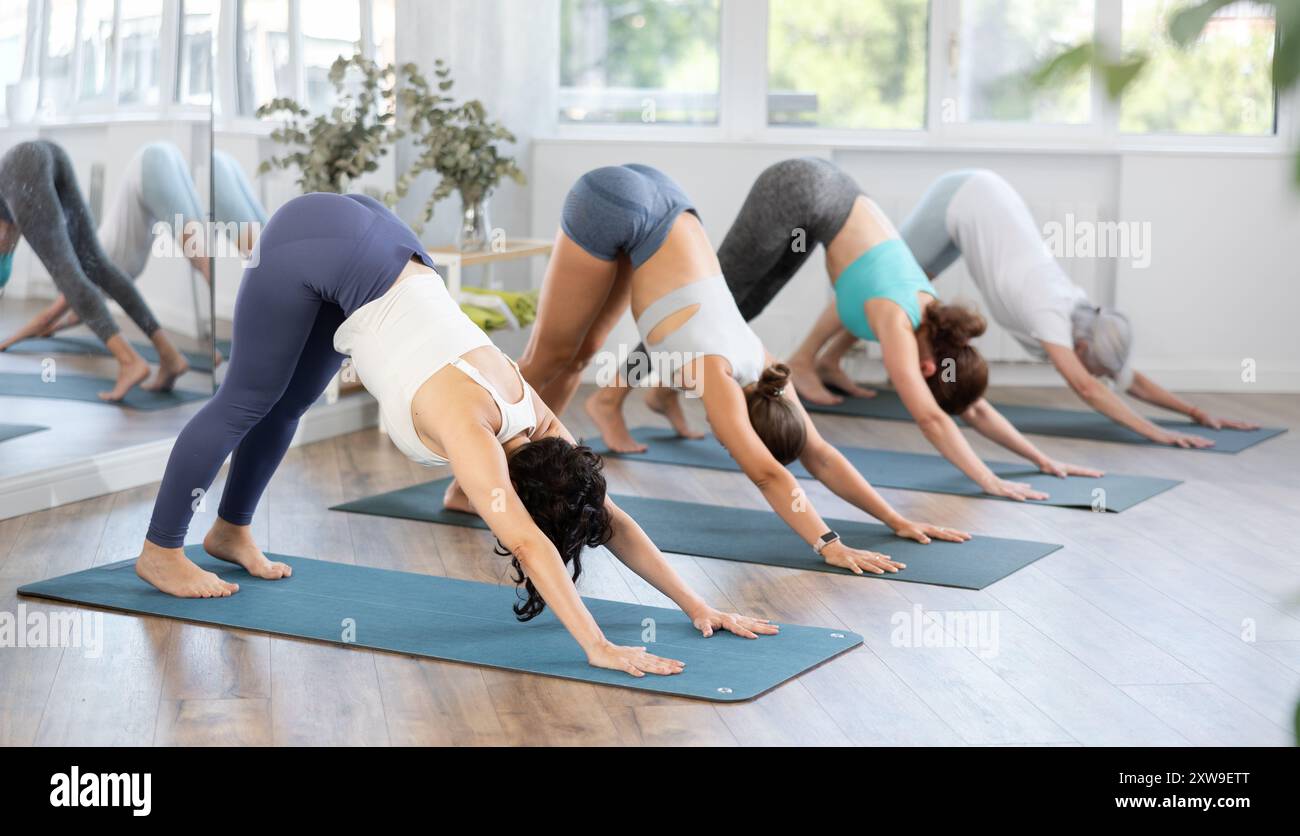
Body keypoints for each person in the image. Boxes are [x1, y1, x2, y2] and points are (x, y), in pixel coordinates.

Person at [135, 191, 776, 678]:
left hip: (377, 248)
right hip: (320, 242)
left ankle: (229, 530)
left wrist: (698, 606)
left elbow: (615, 520)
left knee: (288, 404)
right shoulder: (474, 434)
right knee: (246, 399)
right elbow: (526, 541)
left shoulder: (540, 421)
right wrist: (597, 646)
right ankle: (161, 549)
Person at [516, 164, 973, 577]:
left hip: (666, 197)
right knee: (549, 358)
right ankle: (472, 471)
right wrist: (828, 544)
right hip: (616, 203)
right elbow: (769, 474)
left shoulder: (766, 367)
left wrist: (896, 519)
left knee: (578, 357)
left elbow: (820, 454)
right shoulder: (718, 378)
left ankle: (505, 474)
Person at [584, 159, 1099, 499]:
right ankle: (610, 398)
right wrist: (989, 481)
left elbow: (970, 406)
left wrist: (1041, 459)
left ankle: (662, 395)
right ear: (928, 366)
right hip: (800, 192)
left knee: (742, 309)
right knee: (717, 298)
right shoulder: (900, 322)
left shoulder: (942, 327)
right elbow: (933, 419)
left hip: (825, 199)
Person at [843, 169, 1254, 447]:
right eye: (1095, 365)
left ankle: (826, 360)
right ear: (1080, 348)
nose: (1100, 374)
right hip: (966, 195)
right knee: (883, 277)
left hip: (987, 199)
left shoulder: (1085, 315)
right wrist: (1156, 434)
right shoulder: (1051, 314)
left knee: (899, 281)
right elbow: (1087, 387)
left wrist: (1195, 413)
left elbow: (1125, 376)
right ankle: (816, 361)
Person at [0, 139, 189, 400]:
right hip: (48, 153)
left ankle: (129, 361)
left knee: (68, 274)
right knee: (97, 265)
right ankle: (170, 355)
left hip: (22, 169)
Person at [18, 145, 267, 341]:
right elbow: (73, 317)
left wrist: (10, 341)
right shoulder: (100, 288)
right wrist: (53, 329)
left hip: (151, 166)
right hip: (159, 160)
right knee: (256, 246)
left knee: (203, 257)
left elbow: (47, 316)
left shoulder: (86, 273)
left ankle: (280, 317)